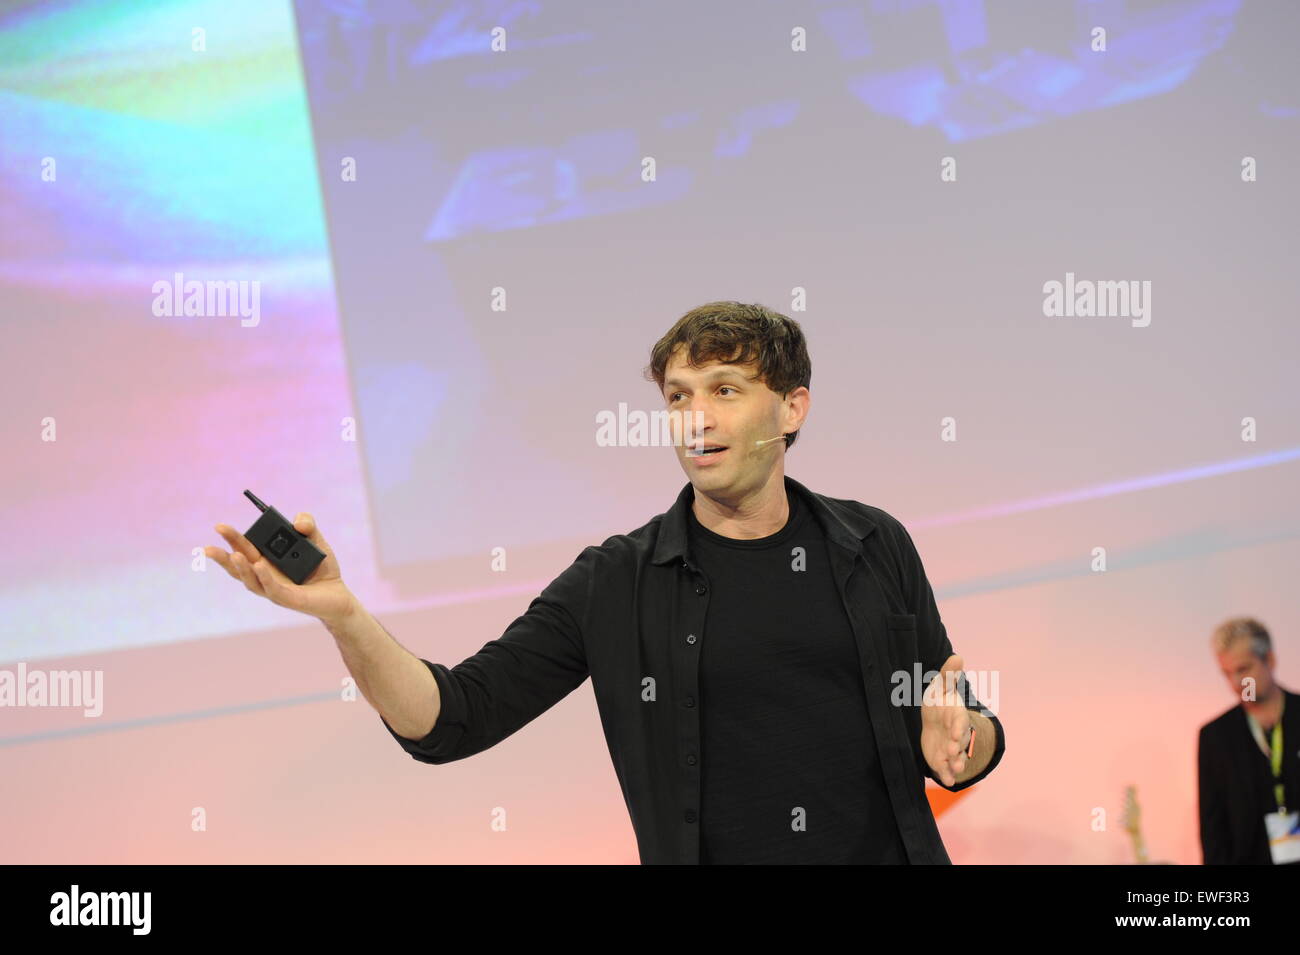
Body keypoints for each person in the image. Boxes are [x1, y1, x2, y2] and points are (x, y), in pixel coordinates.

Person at [205, 300, 1005, 864]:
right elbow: (449, 719)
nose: (696, 418)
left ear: (791, 409)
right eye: (678, 397)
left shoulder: (875, 544)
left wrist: (966, 745)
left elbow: (961, 720)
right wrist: (343, 614)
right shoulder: (616, 582)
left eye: (724, 390)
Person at [1199, 616, 1300, 864]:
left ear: (1270, 660)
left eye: (1243, 670)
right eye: (1227, 673)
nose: (1236, 683)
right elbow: (1213, 829)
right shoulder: (1215, 736)